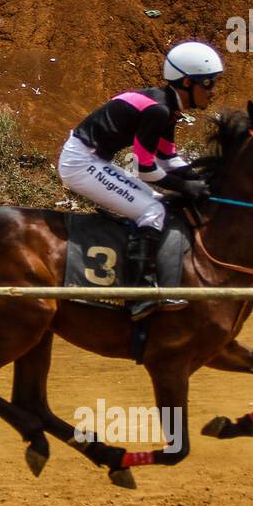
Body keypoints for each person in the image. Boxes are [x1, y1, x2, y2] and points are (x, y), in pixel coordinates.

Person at [56, 41, 222, 318]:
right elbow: (145, 169)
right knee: (152, 210)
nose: (212, 92)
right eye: (207, 84)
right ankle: (138, 295)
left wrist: (199, 179)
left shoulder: (168, 108)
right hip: (81, 162)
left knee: (157, 204)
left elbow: (168, 157)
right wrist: (184, 186)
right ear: (186, 83)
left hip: (92, 158)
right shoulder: (157, 111)